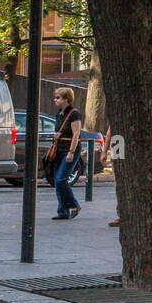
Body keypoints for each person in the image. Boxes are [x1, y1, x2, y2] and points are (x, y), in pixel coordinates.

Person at [51, 87, 83, 220]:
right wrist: (56, 135)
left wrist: (71, 152)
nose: (55, 100)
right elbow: (60, 131)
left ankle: (74, 205)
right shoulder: (59, 113)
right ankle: (63, 211)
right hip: (59, 149)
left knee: (61, 179)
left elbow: (76, 134)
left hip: (69, 150)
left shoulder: (74, 113)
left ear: (66, 99)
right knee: (57, 180)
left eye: (58, 97)